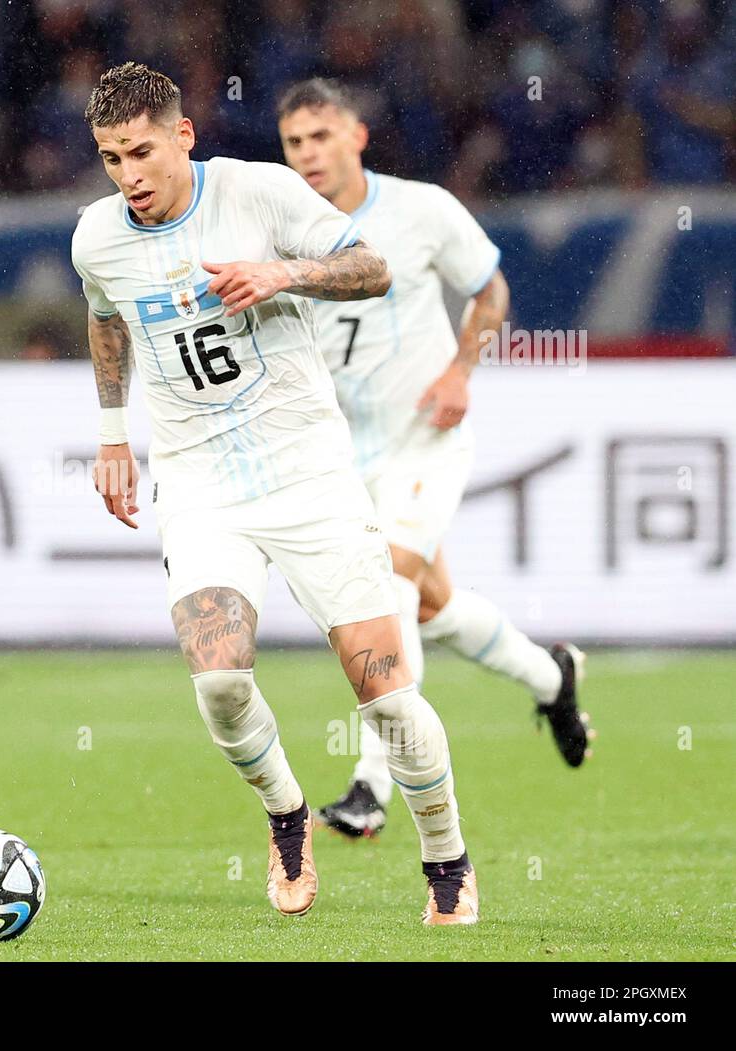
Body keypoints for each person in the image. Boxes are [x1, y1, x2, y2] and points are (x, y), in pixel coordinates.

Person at [72, 63, 478, 924]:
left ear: (183, 135)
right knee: (218, 680)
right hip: (199, 481)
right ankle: (287, 815)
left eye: (141, 152)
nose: (128, 176)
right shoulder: (97, 236)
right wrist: (113, 434)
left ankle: (446, 856)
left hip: (307, 471)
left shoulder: (260, 195)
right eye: (110, 158)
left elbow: (371, 267)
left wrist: (282, 275)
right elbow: (106, 313)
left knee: (387, 693)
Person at [276, 79, 593, 838]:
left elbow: (491, 293)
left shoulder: (421, 210)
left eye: (321, 136)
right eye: (293, 142)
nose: (308, 153)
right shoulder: (287, 228)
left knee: (387, 583)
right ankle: (554, 678)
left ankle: (371, 786)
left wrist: (459, 372)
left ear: (357, 135)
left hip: (426, 438)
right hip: (345, 456)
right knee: (430, 606)